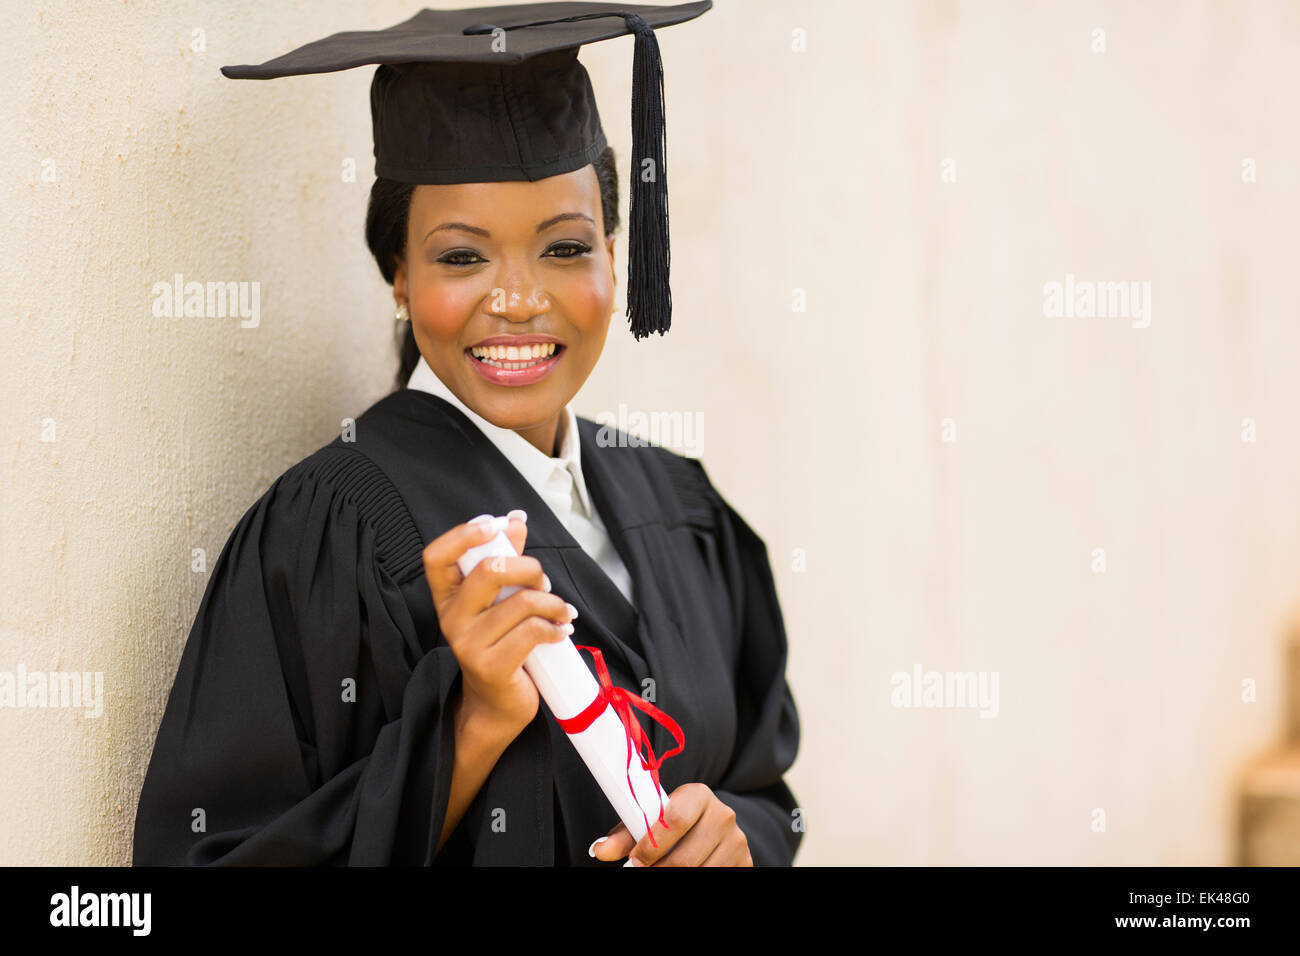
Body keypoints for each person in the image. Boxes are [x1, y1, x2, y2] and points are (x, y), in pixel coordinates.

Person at [132, 1, 802, 866]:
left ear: (614, 250)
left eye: (565, 248)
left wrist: (733, 839)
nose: (520, 299)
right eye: (462, 256)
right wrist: (474, 724)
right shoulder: (332, 533)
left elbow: (766, 793)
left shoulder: (680, 503)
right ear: (399, 276)